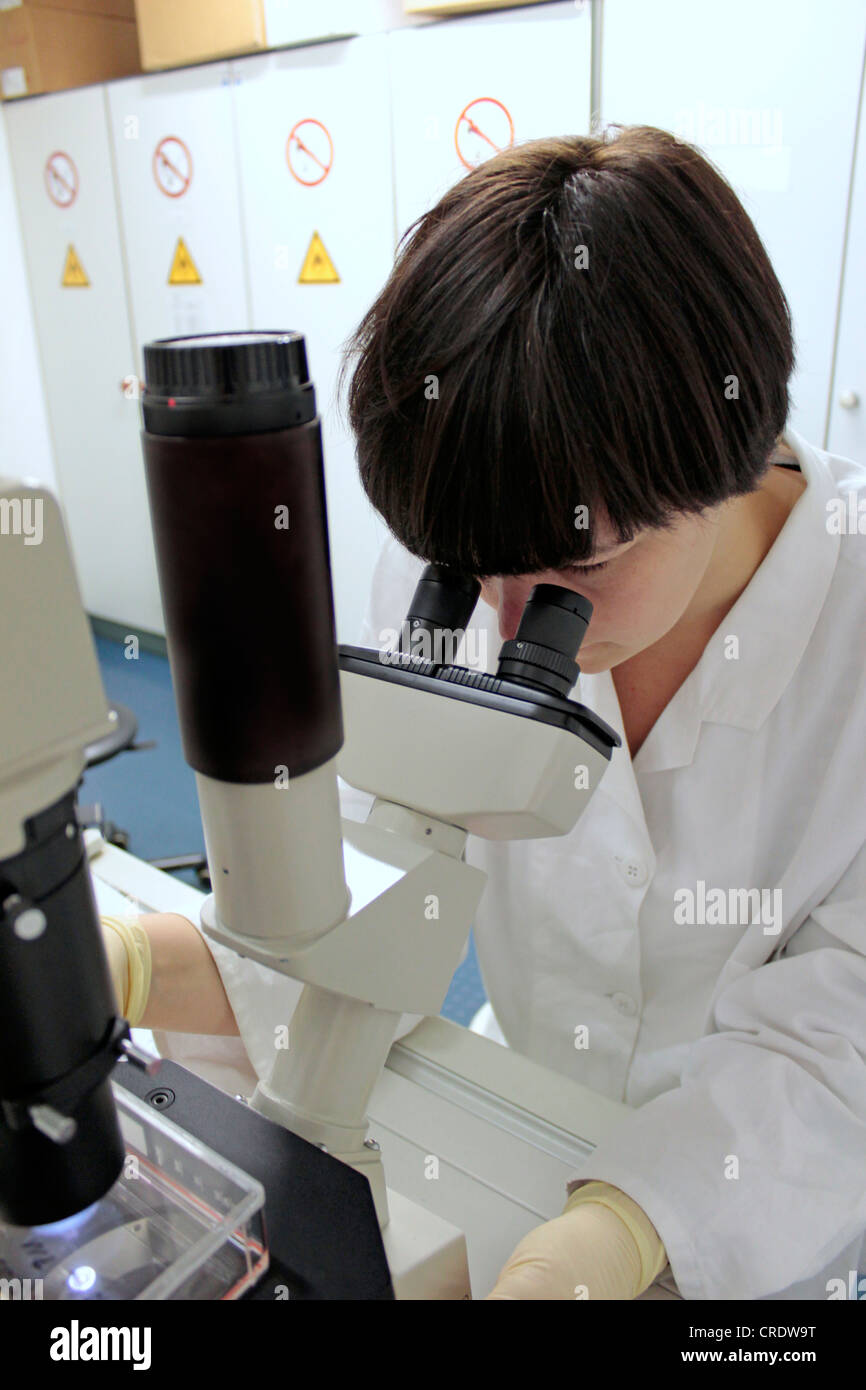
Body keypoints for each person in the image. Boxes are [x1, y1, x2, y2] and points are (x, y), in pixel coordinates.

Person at [103, 125, 866, 1301]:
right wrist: (134, 965)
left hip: (770, 1210)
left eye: (572, 575)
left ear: (730, 445)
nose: (509, 627)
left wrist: (615, 1232)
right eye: (470, 567)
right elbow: (367, 894)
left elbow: (839, 1046)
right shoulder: (462, 572)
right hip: (510, 1111)